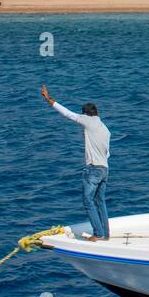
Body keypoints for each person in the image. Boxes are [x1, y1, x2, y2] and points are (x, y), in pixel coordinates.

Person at [41, 84, 111, 241]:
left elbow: (67, 114)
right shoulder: (105, 129)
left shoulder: (87, 121)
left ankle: (98, 234)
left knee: (88, 201)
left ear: (86, 114)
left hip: (93, 170)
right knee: (100, 202)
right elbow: (107, 153)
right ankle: (105, 235)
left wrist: (48, 99)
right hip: (105, 169)